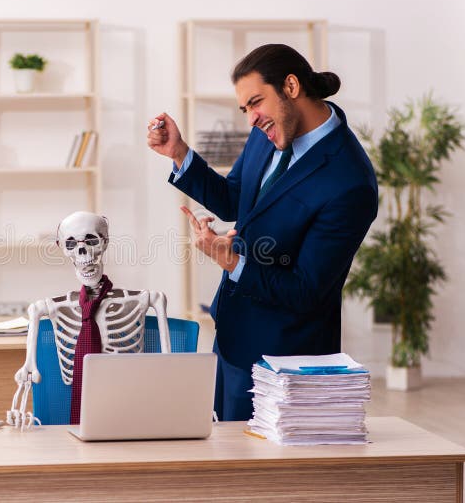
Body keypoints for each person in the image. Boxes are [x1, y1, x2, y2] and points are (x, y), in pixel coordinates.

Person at [147, 44, 378, 421]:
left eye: (256, 102)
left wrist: (232, 261)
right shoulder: (269, 130)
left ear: (291, 86)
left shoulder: (350, 181)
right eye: (245, 109)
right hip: (233, 336)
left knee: (266, 477)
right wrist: (179, 153)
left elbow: (306, 290)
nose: (251, 119)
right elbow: (237, 200)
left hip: (287, 361)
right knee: (224, 464)